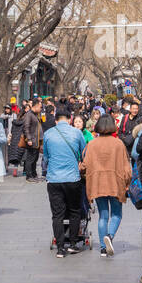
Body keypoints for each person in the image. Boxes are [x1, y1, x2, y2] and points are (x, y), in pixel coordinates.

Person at [42, 104, 87, 258]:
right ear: (70, 119)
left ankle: (60, 247)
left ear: (55, 120)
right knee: (75, 211)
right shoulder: (76, 133)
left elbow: (46, 157)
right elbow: (84, 152)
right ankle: (73, 244)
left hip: (54, 179)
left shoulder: (48, 134)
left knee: (57, 214)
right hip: (73, 178)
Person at [84, 114, 132, 257]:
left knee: (103, 216)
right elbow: (126, 168)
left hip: (98, 183)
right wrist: (127, 183)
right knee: (116, 214)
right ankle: (109, 237)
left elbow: (85, 164)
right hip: (115, 183)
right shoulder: (118, 144)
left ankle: (104, 248)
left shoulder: (92, 144)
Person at [21, 99, 43, 182]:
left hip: (36, 141)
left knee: (35, 158)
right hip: (32, 140)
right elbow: (26, 127)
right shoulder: (29, 114)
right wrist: (29, 139)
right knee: (30, 158)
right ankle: (29, 176)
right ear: (36, 106)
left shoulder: (36, 115)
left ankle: (34, 174)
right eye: (40, 107)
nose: (41, 109)